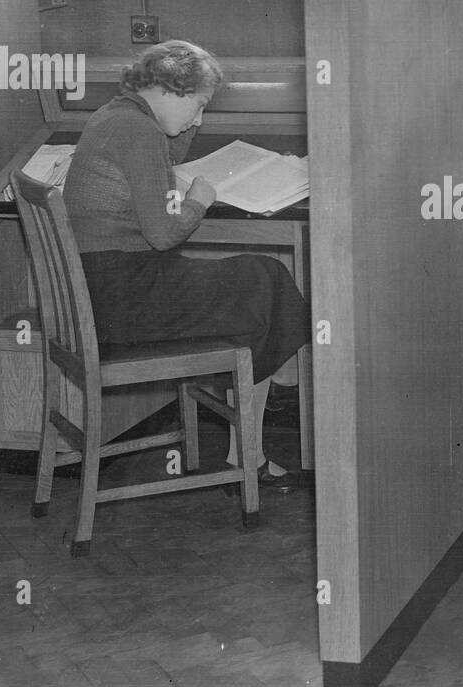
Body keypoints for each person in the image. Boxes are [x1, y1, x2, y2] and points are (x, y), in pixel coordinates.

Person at [63, 40, 310, 489]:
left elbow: (167, 156)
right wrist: (198, 202)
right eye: (198, 105)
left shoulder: (118, 115)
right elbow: (163, 235)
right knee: (264, 278)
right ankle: (258, 431)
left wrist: (185, 122)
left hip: (105, 289)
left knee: (255, 288)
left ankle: (257, 425)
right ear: (171, 90)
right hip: (124, 297)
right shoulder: (137, 130)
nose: (200, 118)